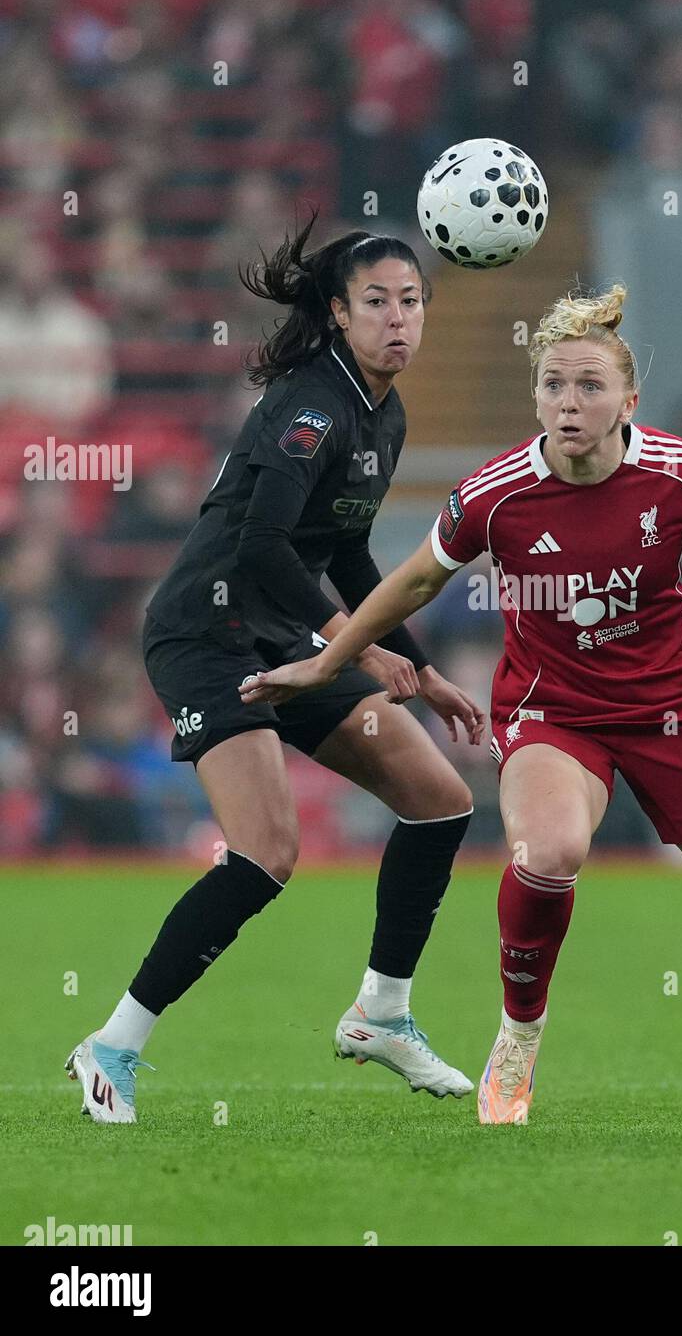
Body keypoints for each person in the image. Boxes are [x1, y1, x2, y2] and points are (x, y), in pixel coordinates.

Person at [240, 285, 682, 1127]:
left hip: (675, 709)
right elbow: (414, 582)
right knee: (552, 849)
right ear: (535, 395)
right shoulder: (496, 493)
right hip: (553, 712)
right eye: (554, 387)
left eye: (590, 387)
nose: (569, 405)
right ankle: (518, 1041)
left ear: (627, 400)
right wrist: (327, 663)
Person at [66, 217, 486, 1124]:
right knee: (269, 851)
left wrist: (422, 666)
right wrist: (355, 647)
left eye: (411, 302)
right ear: (338, 314)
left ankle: (381, 1014)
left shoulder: (386, 411)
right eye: (376, 302)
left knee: (440, 798)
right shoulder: (312, 406)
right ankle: (112, 1045)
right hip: (206, 634)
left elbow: (349, 556)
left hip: (292, 633)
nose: (398, 320)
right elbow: (260, 548)